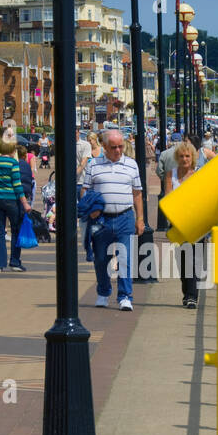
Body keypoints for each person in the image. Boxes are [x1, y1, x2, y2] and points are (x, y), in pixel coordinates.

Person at [82, 128, 143, 311]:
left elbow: (137, 194)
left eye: (120, 146)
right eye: (114, 147)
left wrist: (140, 218)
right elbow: (85, 190)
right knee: (101, 258)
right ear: (105, 147)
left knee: (125, 258)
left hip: (125, 216)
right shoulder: (93, 165)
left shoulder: (132, 165)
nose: (118, 150)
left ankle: (125, 296)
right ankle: (103, 292)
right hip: (101, 220)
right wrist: (91, 209)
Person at [0, 137, 32, 272]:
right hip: (11, 200)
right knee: (15, 229)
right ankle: (15, 262)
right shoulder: (13, 163)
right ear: (11, 149)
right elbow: (17, 185)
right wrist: (25, 203)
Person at [165, 143, 200, 309]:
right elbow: (168, 198)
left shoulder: (198, 175)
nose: (184, 159)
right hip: (177, 222)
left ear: (192, 158)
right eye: (181, 156)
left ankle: (192, 295)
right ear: (177, 158)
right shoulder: (170, 175)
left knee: (194, 258)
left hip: (196, 222)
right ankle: (187, 291)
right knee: (182, 259)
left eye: (187, 156)